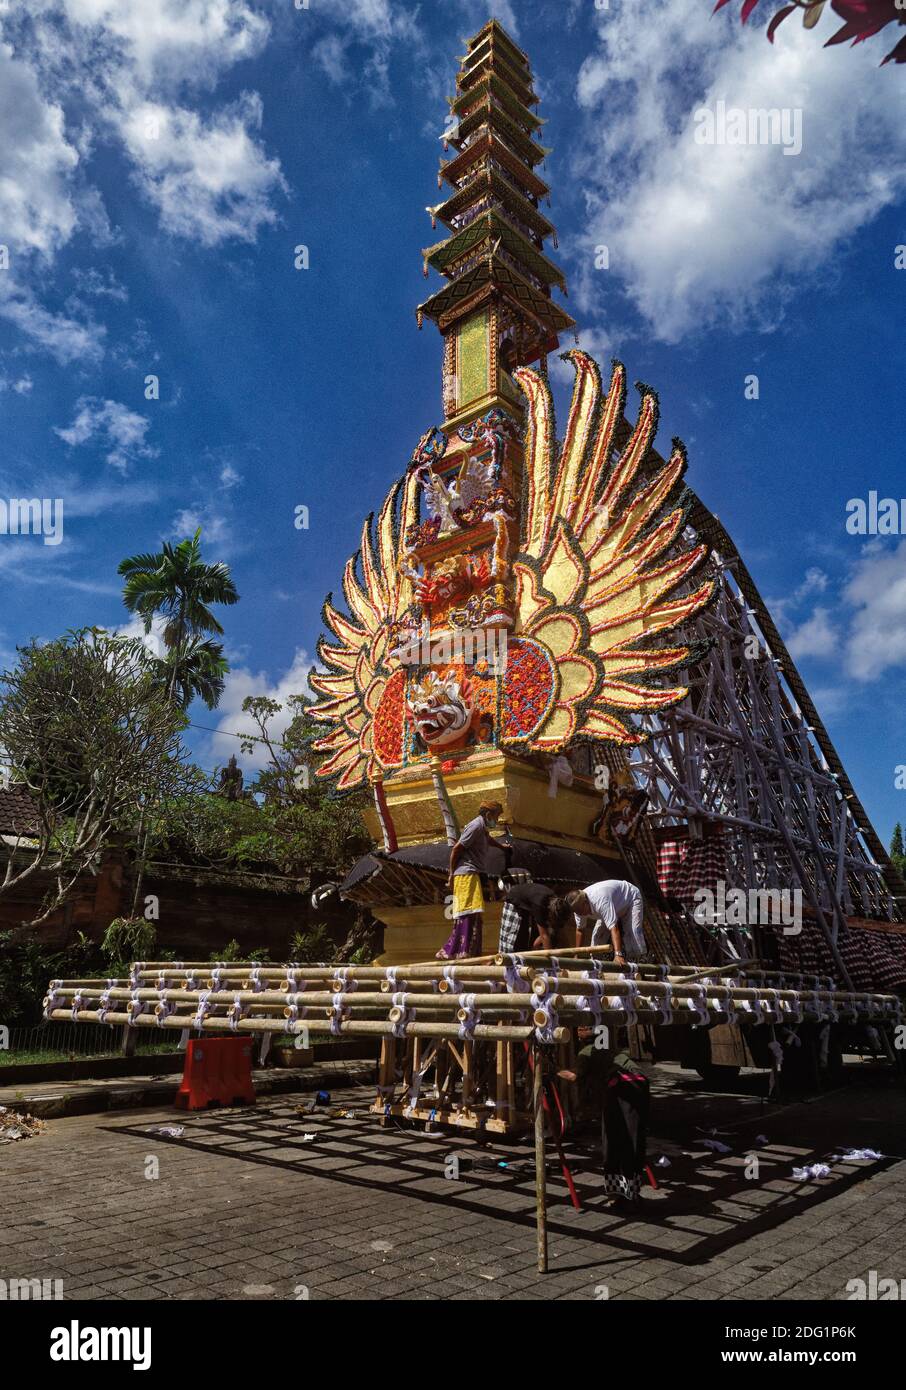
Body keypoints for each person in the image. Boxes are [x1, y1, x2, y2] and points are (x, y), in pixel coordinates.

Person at [437, 800, 507, 959]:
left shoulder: (482, 827)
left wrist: (502, 847)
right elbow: (456, 849)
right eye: (496, 817)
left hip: (473, 873)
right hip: (466, 874)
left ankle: (468, 951)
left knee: (473, 913)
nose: (496, 821)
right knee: (469, 912)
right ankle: (460, 951)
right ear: (488, 815)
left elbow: (487, 839)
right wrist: (451, 873)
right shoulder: (475, 826)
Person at [565, 878, 646, 965]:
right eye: (577, 912)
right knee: (596, 941)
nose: (580, 914)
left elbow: (614, 928)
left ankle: (640, 963)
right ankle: (597, 966)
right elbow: (580, 930)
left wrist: (618, 954)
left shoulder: (600, 900)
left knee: (633, 933)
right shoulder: (577, 907)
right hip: (613, 905)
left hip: (630, 898)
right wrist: (577, 955)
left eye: (580, 911)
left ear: (585, 903)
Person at [498, 880, 567, 955]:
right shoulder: (539, 905)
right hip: (514, 902)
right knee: (512, 940)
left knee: (526, 939)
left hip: (528, 903)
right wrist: (551, 960)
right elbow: (544, 936)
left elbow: (551, 933)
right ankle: (506, 961)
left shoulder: (557, 903)